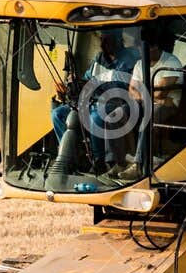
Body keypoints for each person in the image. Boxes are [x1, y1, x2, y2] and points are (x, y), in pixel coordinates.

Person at [51, 29, 140, 175]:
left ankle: (99, 161)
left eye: (108, 39)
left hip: (117, 101)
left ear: (119, 40)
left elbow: (129, 87)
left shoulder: (131, 59)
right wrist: (74, 82)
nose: (104, 43)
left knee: (95, 117)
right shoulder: (99, 58)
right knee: (58, 114)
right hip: (91, 100)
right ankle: (69, 157)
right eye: (103, 39)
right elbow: (88, 78)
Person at [115, 42, 185, 182]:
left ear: (155, 46)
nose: (141, 51)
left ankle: (138, 165)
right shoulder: (140, 64)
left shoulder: (172, 62)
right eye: (140, 48)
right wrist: (144, 96)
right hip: (146, 102)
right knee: (117, 114)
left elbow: (161, 93)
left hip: (169, 106)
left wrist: (144, 93)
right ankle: (117, 162)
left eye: (145, 47)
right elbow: (132, 91)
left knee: (148, 118)